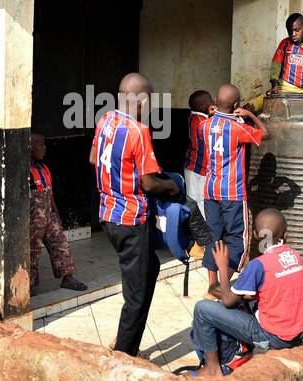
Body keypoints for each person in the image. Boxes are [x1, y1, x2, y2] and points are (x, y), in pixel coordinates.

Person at [90, 73, 180, 356]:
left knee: (149, 268)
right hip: (130, 220)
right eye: (150, 99)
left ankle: (125, 340)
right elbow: (149, 182)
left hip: (107, 215)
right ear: (140, 100)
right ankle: (125, 354)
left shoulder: (105, 120)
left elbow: (94, 158)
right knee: (137, 295)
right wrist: (172, 186)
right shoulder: (138, 131)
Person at [188, 209, 303, 378]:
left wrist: (223, 267)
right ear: (285, 235)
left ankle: (212, 369)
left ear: (255, 234)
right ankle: (239, 354)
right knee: (244, 302)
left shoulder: (259, 264)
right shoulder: (295, 256)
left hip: (274, 336)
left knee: (202, 309)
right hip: (297, 332)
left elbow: (229, 300)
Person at [202, 83, 269, 299]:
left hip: (210, 191)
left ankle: (212, 285)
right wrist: (250, 114)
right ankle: (223, 284)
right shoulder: (238, 128)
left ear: (214, 101)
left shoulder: (204, 125)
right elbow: (266, 134)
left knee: (214, 236)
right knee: (237, 239)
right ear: (237, 105)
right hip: (233, 193)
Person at [28, 132, 87, 294]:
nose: (44, 148)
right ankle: (28, 285)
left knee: (61, 243)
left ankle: (67, 277)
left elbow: (50, 194)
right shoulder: (24, 171)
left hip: (49, 214)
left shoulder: (44, 169)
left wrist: (56, 214)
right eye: (41, 144)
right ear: (30, 147)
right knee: (32, 250)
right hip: (33, 218)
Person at [183, 89, 213, 211]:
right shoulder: (204, 123)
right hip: (200, 171)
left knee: (192, 203)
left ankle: (193, 228)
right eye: (210, 100)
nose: (214, 102)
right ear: (202, 106)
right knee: (200, 206)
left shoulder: (192, 118)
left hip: (191, 168)